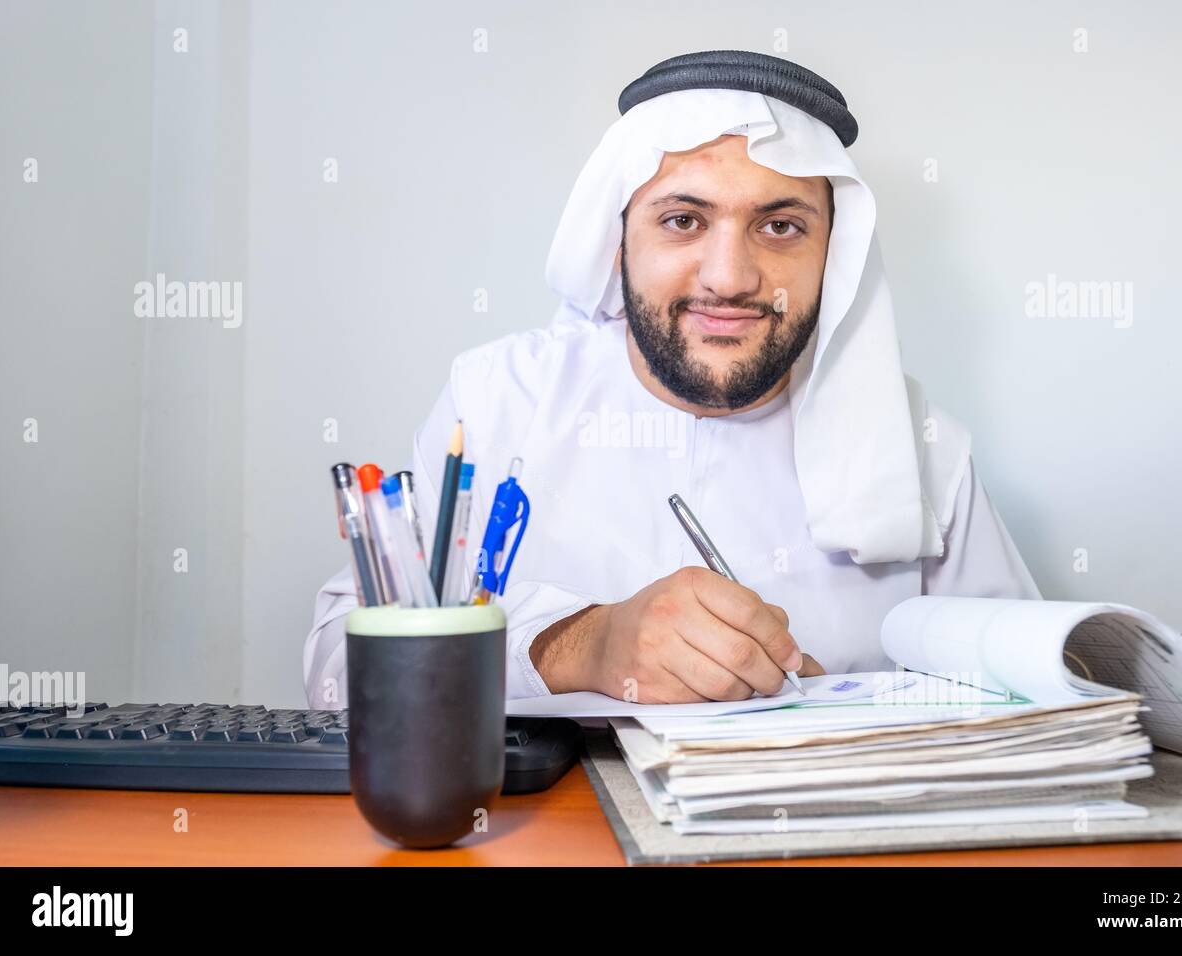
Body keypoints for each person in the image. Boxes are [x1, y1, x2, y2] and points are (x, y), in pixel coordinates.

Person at [304, 50, 1040, 709]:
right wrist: (577, 646)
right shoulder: (498, 401)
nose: (729, 278)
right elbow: (337, 670)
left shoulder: (922, 449)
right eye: (684, 221)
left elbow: (1030, 692)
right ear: (618, 238)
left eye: (780, 226)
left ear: (832, 256)